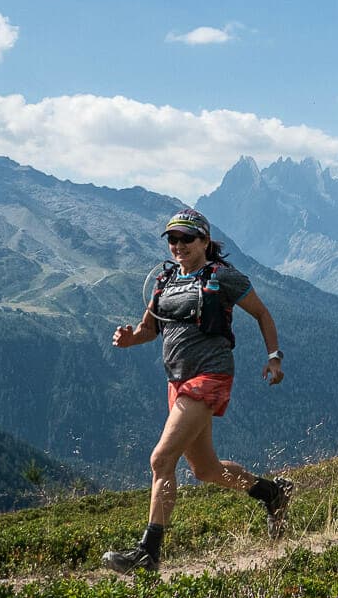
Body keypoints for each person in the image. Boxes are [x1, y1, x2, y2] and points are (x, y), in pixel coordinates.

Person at [102, 208, 293, 576]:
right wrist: (129, 339)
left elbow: (262, 314)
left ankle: (147, 553)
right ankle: (272, 494)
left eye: (187, 238)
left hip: (210, 376)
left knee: (161, 459)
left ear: (205, 241)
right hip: (176, 381)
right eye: (173, 239)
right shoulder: (164, 280)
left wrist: (274, 358)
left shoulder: (222, 276)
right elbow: (149, 329)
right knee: (205, 469)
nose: (179, 245)